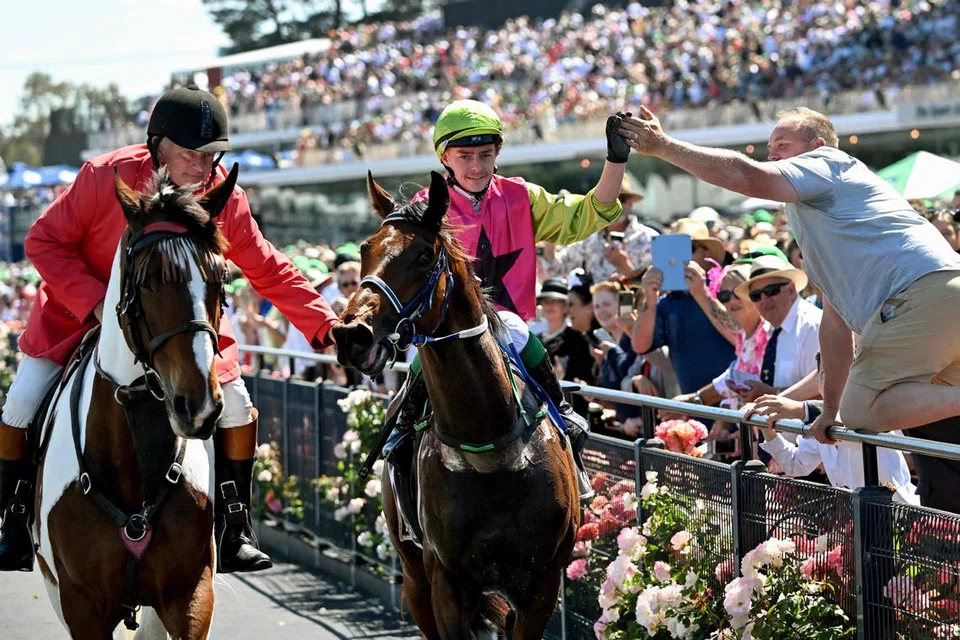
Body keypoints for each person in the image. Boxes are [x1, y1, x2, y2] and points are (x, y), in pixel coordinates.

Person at [0, 85, 340, 574]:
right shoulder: (104, 177)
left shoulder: (224, 196)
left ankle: (236, 526)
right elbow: (42, 241)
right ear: (157, 145)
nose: (203, 169)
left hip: (177, 330)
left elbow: (268, 267)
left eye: (211, 156)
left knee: (239, 407)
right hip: (79, 319)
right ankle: (12, 521)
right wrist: (96, 305)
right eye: (190, 155)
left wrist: (325, 326)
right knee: (20, 405)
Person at [617, 106, 960, 440]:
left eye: (783, 146)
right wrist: (827, 411)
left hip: (918, 295)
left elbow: (747, 175)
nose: (773, 157)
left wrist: (663, 146)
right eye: (770, 150)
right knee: (927, 406)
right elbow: (836, 328)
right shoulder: (821, 225)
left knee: (860, 411)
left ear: (817, 147)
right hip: (937, 293)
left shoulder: (828, 163)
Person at [384, 99, 631, 506]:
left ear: (497, 152)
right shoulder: (423, 209)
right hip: (445, 335)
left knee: (516, 333)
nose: (476, 166)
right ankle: (402, 477)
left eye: (485, 154)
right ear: (444, 156)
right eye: (464, 156)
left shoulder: (522, 196)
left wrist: (615, 160)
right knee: (404, 415)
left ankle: (565, 424)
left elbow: (590, 212)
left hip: (510, 325)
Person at [744, 353, 918, 504]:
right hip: (857, 517)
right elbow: (795, 465)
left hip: (898, 516)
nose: (834, 382)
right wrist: (767, 429)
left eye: (843, 374)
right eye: (826, 374)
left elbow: (852, 430)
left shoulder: (872, 411)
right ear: (818, 383)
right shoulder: (818, 421)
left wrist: (801, 409)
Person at [631, 218, 736, 396]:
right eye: (674, 251)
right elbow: (640, 346)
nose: (682, 258)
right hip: (694, 409)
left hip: (734, 409)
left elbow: (740, 337)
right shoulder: (667, 303)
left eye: (689, 249)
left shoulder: (727, 288)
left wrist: (701, 294)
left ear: (706, 254)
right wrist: (649, 300)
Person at [547, 173, 658, 282]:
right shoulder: (589, 237)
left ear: (631, 203)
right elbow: (555, 268)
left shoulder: (650, 239)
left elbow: (658, 288)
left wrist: (625, 266)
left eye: (621, 199)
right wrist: (553, 227)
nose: (614, 205)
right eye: (608, 199)